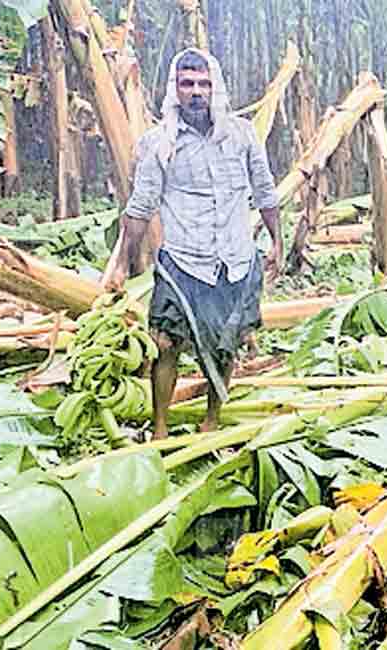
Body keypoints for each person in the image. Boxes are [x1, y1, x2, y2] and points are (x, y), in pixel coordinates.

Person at [104, 48, 282, 438]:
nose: (196, 92)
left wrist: (277, 242)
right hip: (183, 260)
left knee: (225, 346)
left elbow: (264, 190)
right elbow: (140, 208)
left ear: (215, 88)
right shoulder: (159, 143)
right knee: (165, 343)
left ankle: (212, 420)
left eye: (204, 84)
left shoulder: (242, 134)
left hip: (234, 258)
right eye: (188, 84)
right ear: (175, 90)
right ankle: (161, 428)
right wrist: (120, 262)